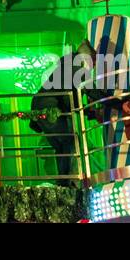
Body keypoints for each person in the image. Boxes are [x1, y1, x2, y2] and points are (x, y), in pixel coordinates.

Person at [31, 41, 95, 176]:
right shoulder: (78, 69)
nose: (93, 66)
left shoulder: (67, 65)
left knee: (61, 145)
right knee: (68, 140)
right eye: (93, 61)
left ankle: (64, 179)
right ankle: (67, 179)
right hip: (51, 107)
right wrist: (113, 101)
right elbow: (92, 91)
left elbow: (71, 97)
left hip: (40, 107)